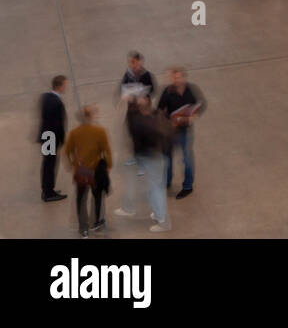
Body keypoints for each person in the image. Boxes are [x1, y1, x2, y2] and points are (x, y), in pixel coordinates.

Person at [115, 94, 171, 232]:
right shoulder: (156, 115)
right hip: (154, 157)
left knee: (155, 189)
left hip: (149, 158)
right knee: (153, 187)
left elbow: (131, 122)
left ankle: (163, 222)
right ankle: (134, 209)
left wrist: (129, 102)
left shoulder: (140, 123)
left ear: (141, 108)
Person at [156, 68, 204, 199]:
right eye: (173, 77)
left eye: (177, 77)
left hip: (185, 131)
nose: (175, 80)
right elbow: (158, 110)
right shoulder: (167, 91)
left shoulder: (191, 90)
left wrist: (193, 116)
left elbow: (201, 104)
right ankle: (167, 181)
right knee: (167, 159)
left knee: (187, 159)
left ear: (184, 78)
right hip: (169, 131)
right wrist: (166, 122)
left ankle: (187, 186)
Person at [64, 105, 112, 236]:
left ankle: (83, 228)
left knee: (81, 198)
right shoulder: (100, 131)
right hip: (96, 168)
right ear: (90, 117)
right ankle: (96, 222)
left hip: (82, 170)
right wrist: (108, 165)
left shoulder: (74, 133)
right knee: (97, 197)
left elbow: (67, 151)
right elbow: (106, 151)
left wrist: (73, 164)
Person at [37, 74, 68, 201]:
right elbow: (57, 125)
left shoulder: (46, 97)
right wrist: (62, 141)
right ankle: (48, 193)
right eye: (65, 85)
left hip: (46, 136)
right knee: (50, 165)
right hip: (51, 138)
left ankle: (48, 189)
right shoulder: (56, 102)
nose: (66, 87)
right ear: (59, 86)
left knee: (47, 164)